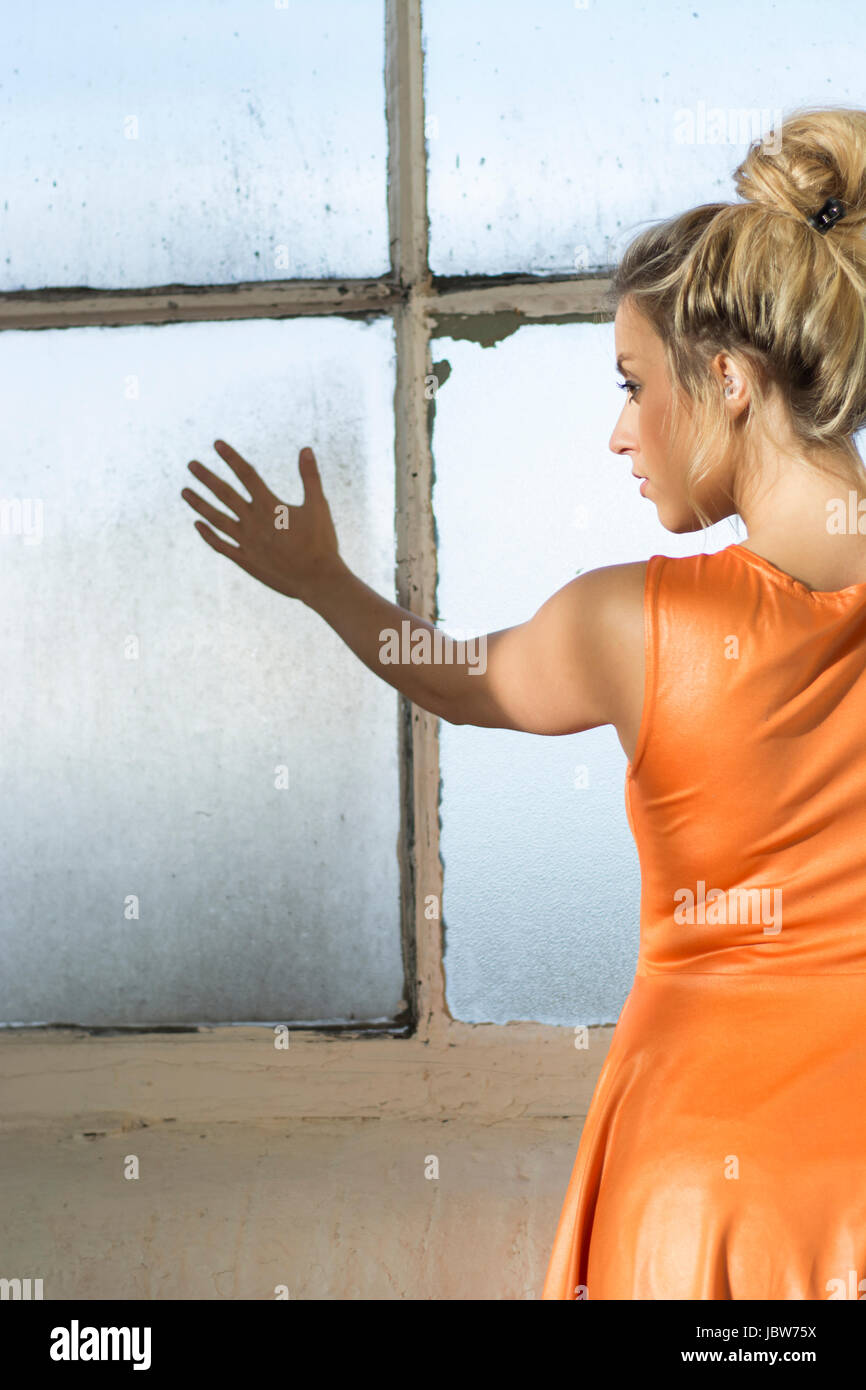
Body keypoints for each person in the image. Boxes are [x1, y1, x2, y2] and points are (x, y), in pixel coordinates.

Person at [181, 103, 866, 1300]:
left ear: (726, 377)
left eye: (631, 382)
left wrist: (322, 582)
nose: (618, 434)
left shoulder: (631, 623)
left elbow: (444, 671)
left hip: (698, 1188)